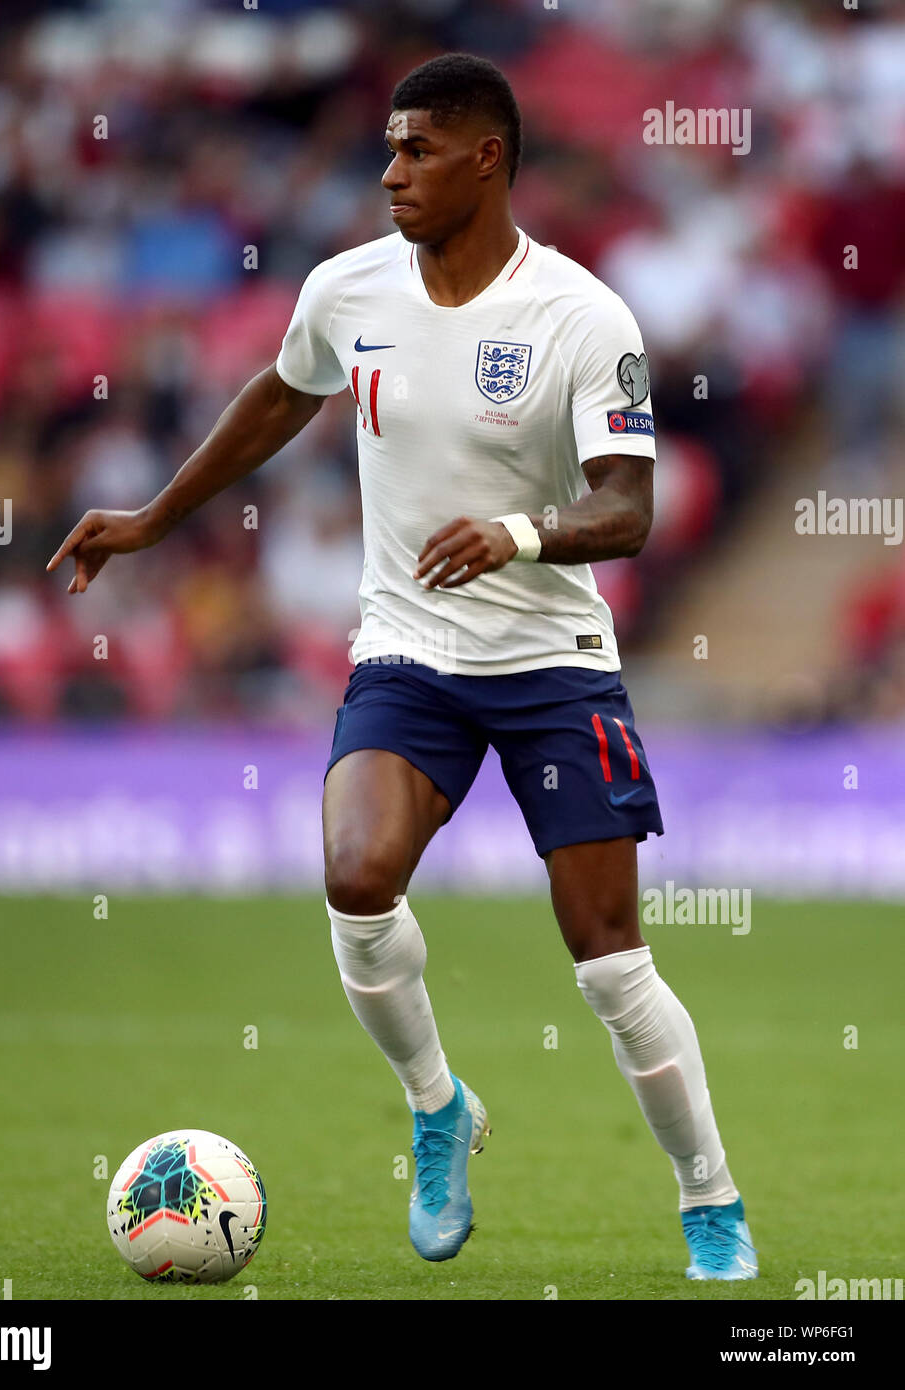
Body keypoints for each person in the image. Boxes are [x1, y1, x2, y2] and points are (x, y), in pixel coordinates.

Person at [48, 53, 756, 1280]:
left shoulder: (583, 317)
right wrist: (154, 517)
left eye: (417, 150)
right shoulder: (349, 287)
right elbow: (281, 394)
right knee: (356, 871)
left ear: (488, 158)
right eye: (387, 149)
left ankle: (712, 1203)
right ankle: (438, 1108)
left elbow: (629, 508)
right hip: (409, 648)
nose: (390, 174)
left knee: (611, 962)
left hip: (552, 660)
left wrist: (520, 533)